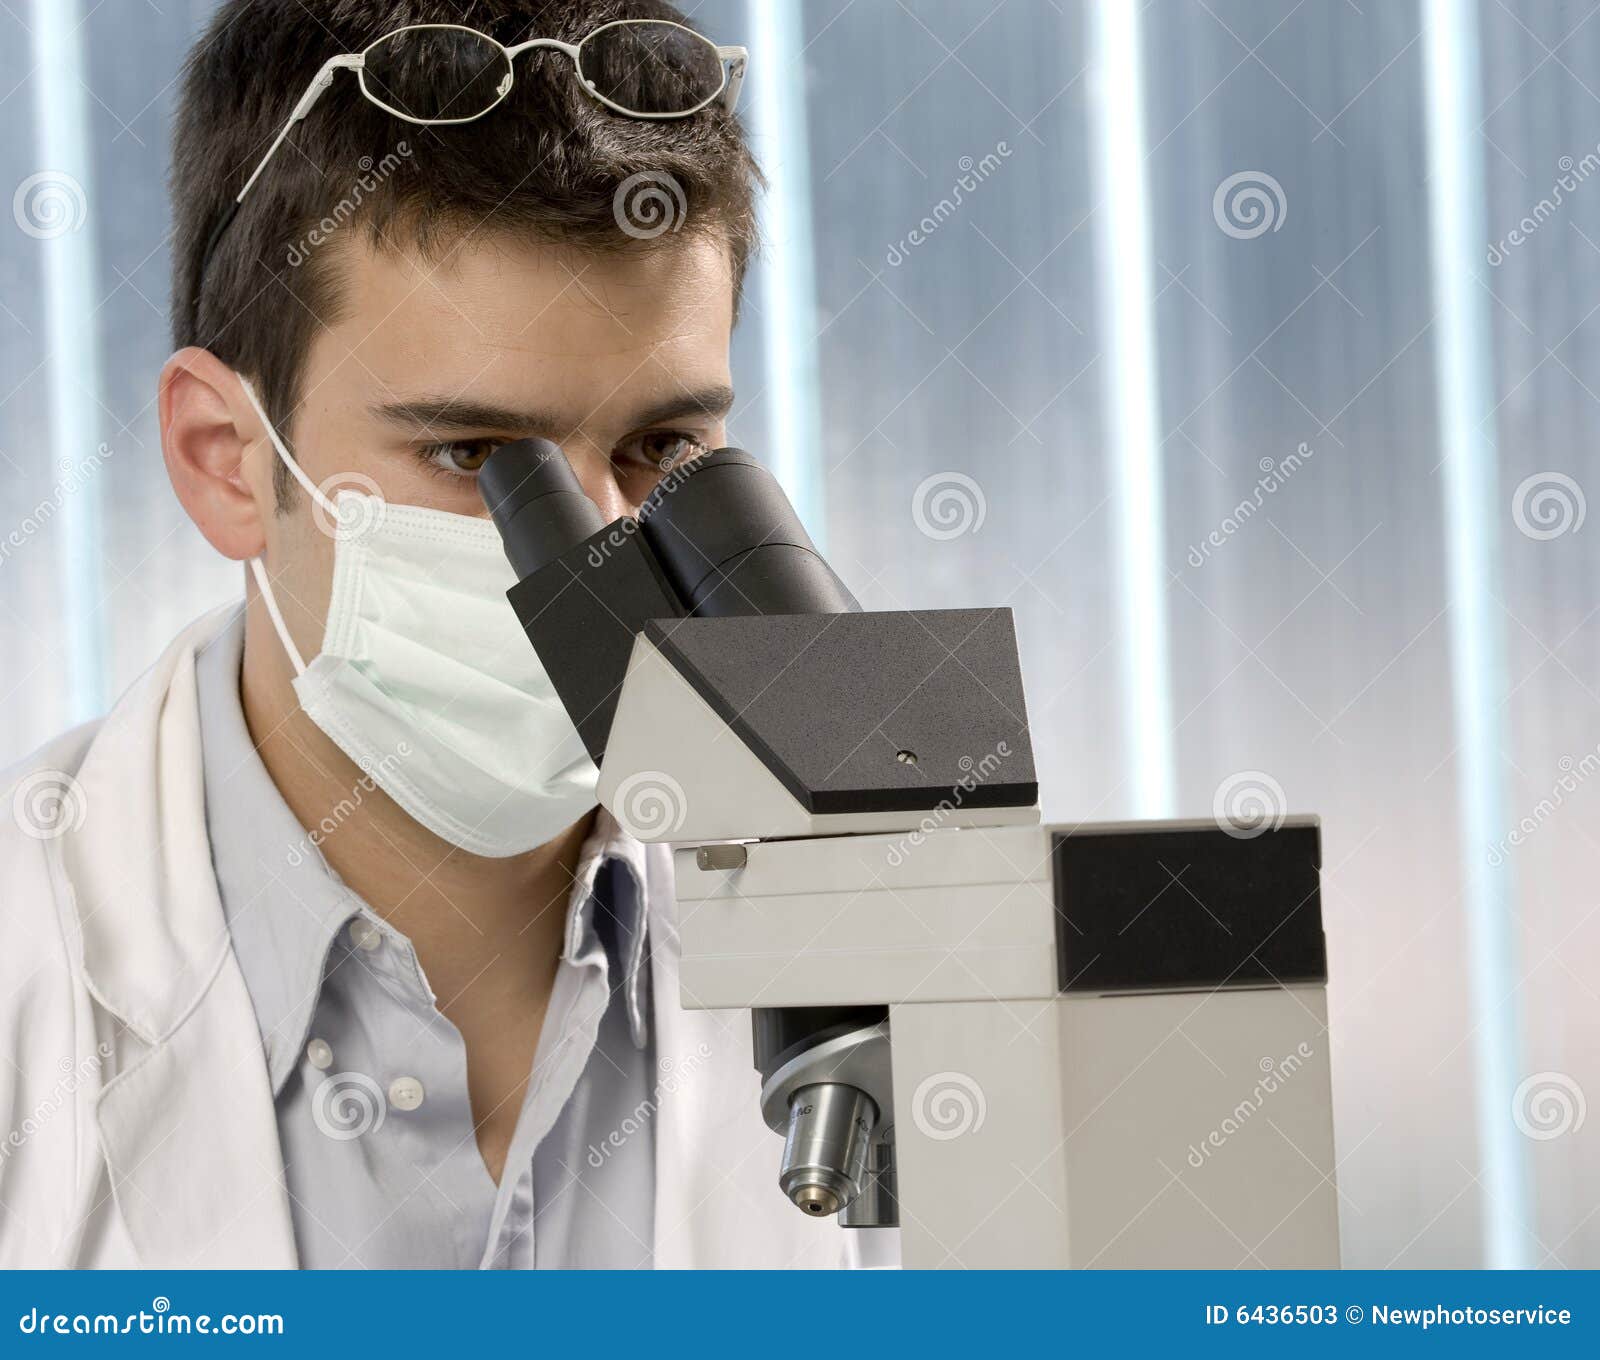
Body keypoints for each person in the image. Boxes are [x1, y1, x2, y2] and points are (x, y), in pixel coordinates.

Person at [0, 0, 880, 1270]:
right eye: (476, 456)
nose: (593, 553)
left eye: (662, 450)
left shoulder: (895, 938)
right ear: (227, 460)